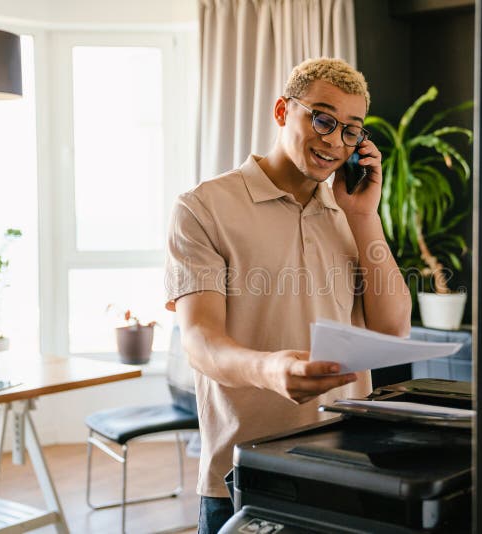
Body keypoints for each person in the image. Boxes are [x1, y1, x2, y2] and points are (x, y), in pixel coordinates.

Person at [164, 57, 411, 534]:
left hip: (344, 463)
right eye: (322, 119)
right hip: (242, 473)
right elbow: (200, 341)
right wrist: (272, 369)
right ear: (282, 111)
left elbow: (392, 329)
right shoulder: (203, 208)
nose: (334, 141)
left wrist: (364, 217)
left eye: (350, 131)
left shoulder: (351, 210)